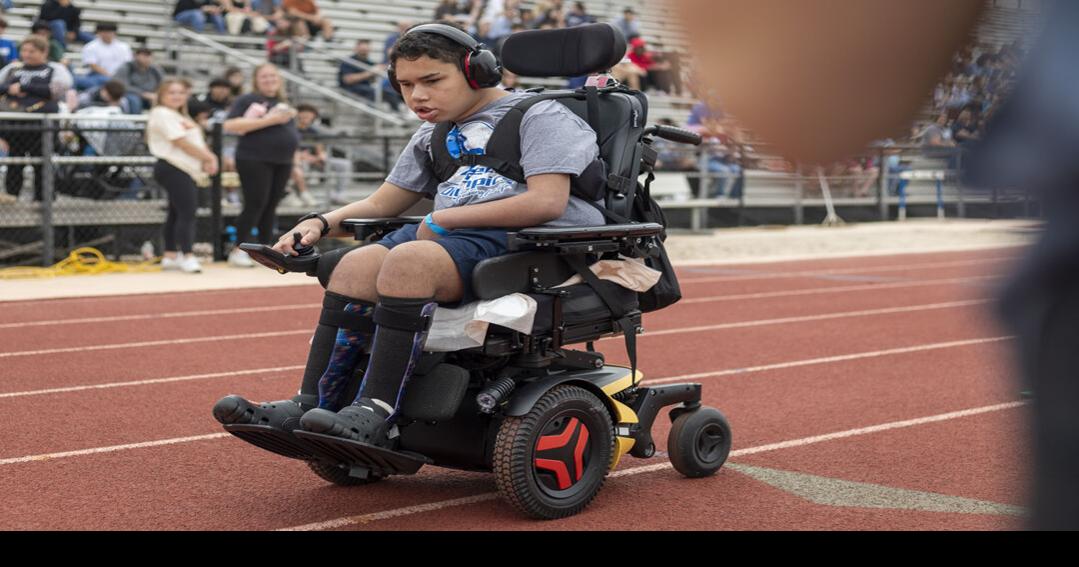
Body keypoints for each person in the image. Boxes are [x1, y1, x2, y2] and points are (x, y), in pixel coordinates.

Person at [213, 23, 603, 451]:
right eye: (405, 85)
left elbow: (546, 201)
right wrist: (320, 223)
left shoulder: (540, 115)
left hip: (523, 241)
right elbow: (383, 204)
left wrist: (446, 220)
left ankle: (375, 412)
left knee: (408, 261)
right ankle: (311, 402)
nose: (417, 96)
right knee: (353, 265)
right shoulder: (433, 132)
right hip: (446, 234)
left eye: (432, 81)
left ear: (477, 72)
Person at [222, 62, 299, 267]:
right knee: (255, 204)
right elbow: (231, 125)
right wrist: (271, 120)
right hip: (254, 158)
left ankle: (267, 250)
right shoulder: (247, 99)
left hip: (282, 160)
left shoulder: (283, 101)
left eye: (273, 76)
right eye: (264, 76)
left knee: (271, 205)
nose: (269, 80)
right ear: (256, 80)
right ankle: (238, 249)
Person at [147, 78, 219, 274]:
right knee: (187, 212)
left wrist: (205, 158)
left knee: (176, 212)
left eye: (180, 92)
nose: (177, 96)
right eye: (171, 92)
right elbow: (180, 142)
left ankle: (170, 255)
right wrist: (209, 157)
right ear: (161, 96)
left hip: (185, 169)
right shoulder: (161, 113)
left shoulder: (180, 115)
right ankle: (187, 255)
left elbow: (193, 140)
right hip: (173, 167)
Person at [0, 35, 73, 202]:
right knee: (14, 163)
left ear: (44, 52)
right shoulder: (14, 68)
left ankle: (44, 200)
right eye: (24, 50)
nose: (26, 54)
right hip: (14, 125)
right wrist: (10, 89)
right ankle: (12, 197)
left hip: (41, 127)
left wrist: (25, 87)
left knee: (41, 163)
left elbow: (57, 89)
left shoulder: (53, 68)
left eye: (31, 51)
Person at [288, 103, 352, 206]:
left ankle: (339, 195)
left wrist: (321, 156)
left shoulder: (313, 131)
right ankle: (301, 195)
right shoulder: (290, 130)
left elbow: (320, 150)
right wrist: (304, 157)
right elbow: (290, 151)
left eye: (309, 117)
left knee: (344, 164)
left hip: (313, 160)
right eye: (303, 116)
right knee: (301, 165)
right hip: (296, 160)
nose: (305, 119)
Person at [337, 38, 401, 111]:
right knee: (376, 92)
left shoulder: (369, 63)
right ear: (356, 48)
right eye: (362, 50)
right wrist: (371, 72)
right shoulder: (348, 61)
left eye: (366, 50)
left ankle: (398, 113)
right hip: (350, 89)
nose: (364, 52)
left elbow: (374, 79)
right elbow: (348, 80)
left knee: (390, 91)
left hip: (366, 88)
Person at [75, 23, 132, 92]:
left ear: (114, 33)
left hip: (120, 77)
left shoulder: (124, 47)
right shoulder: (90, 47)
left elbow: (128, 64)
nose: (107, 34)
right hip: (98, 76)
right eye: (104, 32)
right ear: (98, 33)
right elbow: (93, 65)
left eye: (109, 32)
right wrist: (110, 76)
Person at [112, 47, 164, 114]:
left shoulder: (155, 70)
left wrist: (157, 94)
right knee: (134, 100)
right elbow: (121, 86)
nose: (146, 58)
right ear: (136, 56)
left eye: (148, 56)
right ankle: (135, 122)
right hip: (130, 94)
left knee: (163, 99)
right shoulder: (127, 67)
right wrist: (143, 94)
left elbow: (162, 85)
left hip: (151, 95)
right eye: (143, 55)